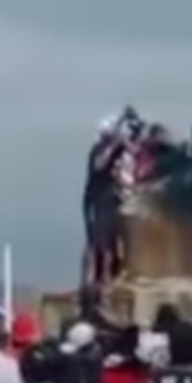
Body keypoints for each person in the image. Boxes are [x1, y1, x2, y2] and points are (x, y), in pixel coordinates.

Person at [82, 115, 127, 287]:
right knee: (99, 242)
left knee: (112, 240)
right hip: (99, 199)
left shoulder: (115, 151)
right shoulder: (99, 152)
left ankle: (110, 273)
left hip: (107, 198)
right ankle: (100, 278)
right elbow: (101, 165)